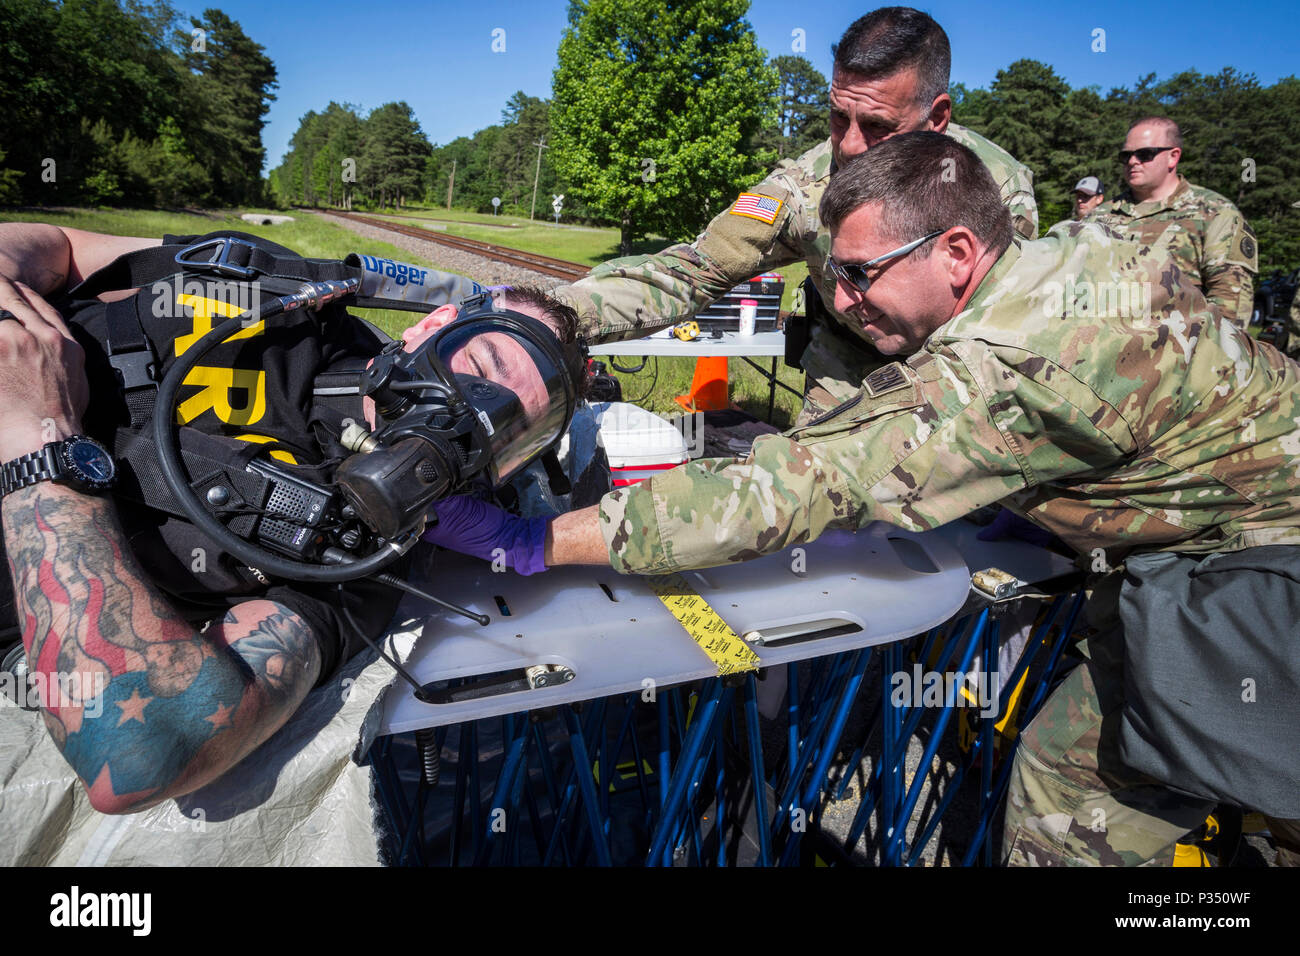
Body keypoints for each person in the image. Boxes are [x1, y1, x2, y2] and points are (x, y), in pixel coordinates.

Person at [428, 131, 1300, 865]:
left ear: (958, 252)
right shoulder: (1067, 256)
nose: (840, 302)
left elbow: (793, 489)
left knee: (1073, 796)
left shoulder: (1008, 368)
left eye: (858, 274)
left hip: (1254, 560)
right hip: (1219, 514)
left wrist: (537, 543)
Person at [0, 222, 583, 814]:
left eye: (509, 428)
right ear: (431, 325)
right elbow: (60, 247)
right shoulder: (275, 287)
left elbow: (141, 752)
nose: (469, 422)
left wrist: (37, 449)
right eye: (480, 369)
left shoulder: (358, 556)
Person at [551, 6, 1037, 424]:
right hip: (849, 364)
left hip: (960, 374)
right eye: (836, 116)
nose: (848, 145)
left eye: (876, 126)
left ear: (937, 117)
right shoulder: (802, 188)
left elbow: (1005, 337)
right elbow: (690, 272)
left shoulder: (998, 189)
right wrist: (551, 314)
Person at [1088, 116, 1258, 328]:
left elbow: (1230, 302)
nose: (1132, 161)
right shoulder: (1099, 217)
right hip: (1101, 349)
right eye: (1126, 155)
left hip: (1177, 353)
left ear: (1173, 157)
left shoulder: (1214, 213)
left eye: (1144, 154)